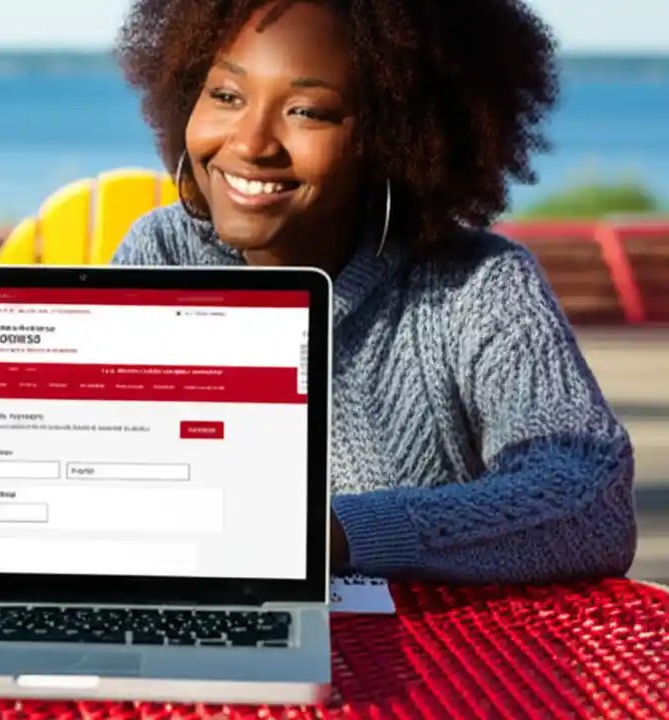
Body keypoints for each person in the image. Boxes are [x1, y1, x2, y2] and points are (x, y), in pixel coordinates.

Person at [110, 0, 637, 583]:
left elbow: (590, 502)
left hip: (436, 663)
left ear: (394, 135)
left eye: (307, 110)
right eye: (227, 96)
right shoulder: (161, 257)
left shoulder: (475, 286)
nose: (252, 142)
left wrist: (337, 533)